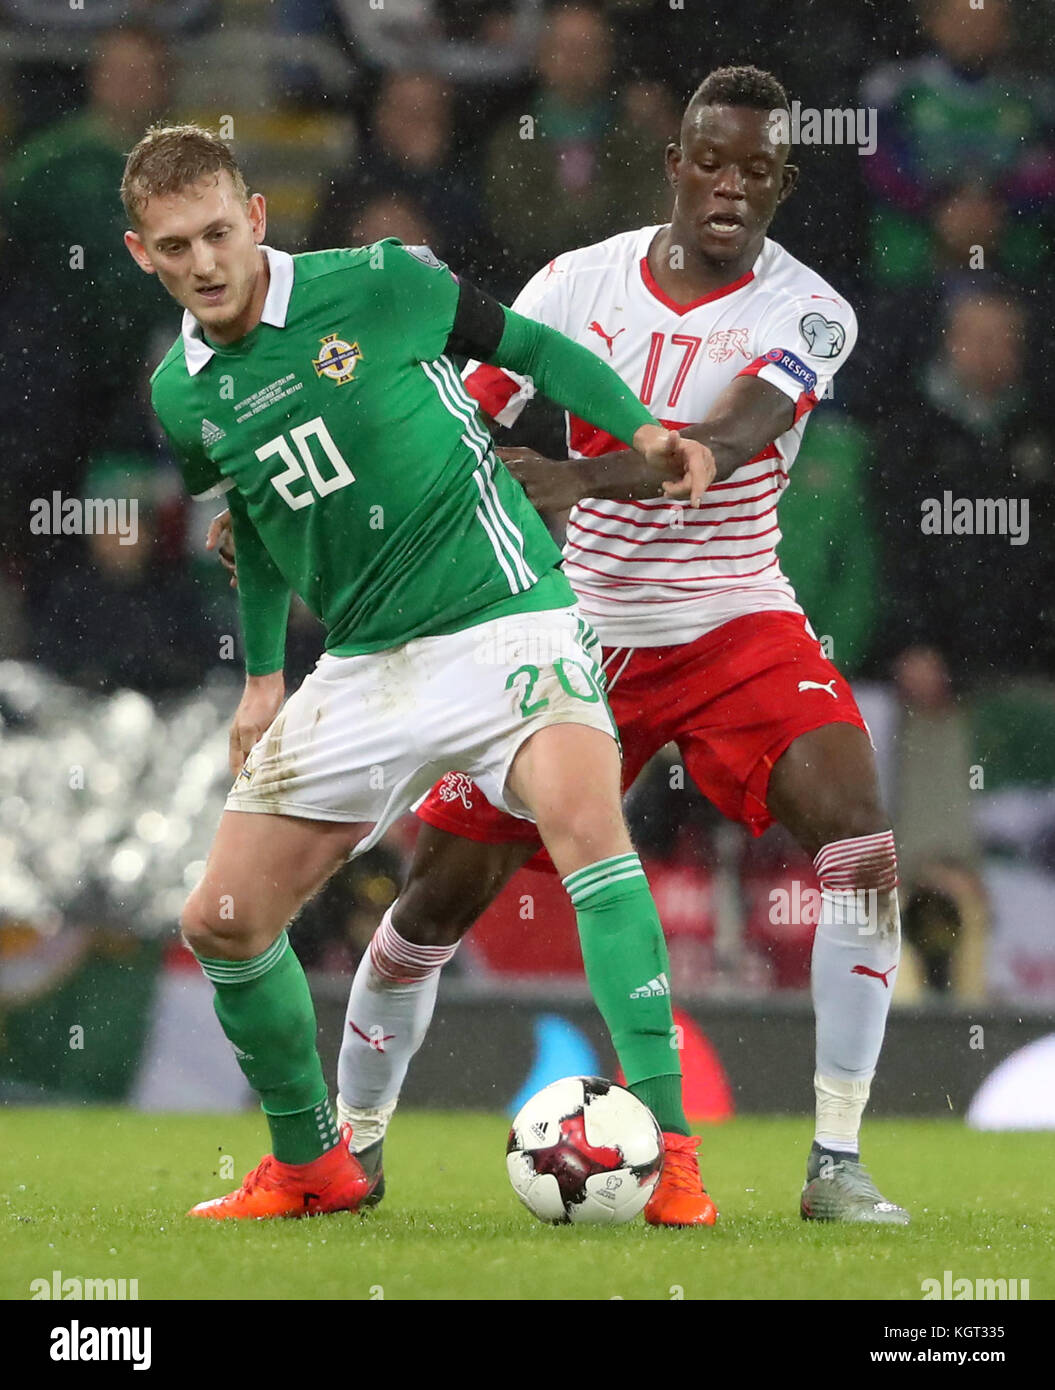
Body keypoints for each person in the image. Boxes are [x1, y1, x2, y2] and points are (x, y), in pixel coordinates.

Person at [333, 65, 911, 1225]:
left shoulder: (809, 310)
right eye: (711, 161)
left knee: (859, 842)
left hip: (732, 620)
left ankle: (835, 1160)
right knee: (431, 899)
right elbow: (467, 413)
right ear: (675, 164)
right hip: (574, 631)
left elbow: (723, 445)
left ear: (781, 185)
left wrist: (574, 474)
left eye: (757, 171)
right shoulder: (573, 281)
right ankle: (353, 1149)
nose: (730, 188)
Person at [121, 123, 714, 1221]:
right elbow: (248, 519)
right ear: (139, 253)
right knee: (222, 918)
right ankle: (313, 1163)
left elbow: (531, 348)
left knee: (586, 826)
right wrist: (261, 680)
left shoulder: (385, 283)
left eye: (215, 233)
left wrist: (642, 426)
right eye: (173, 246)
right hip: (359, 663)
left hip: (504, 617)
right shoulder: (181, 398)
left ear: (255, 220)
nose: (202, 263)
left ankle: (671, 1150)